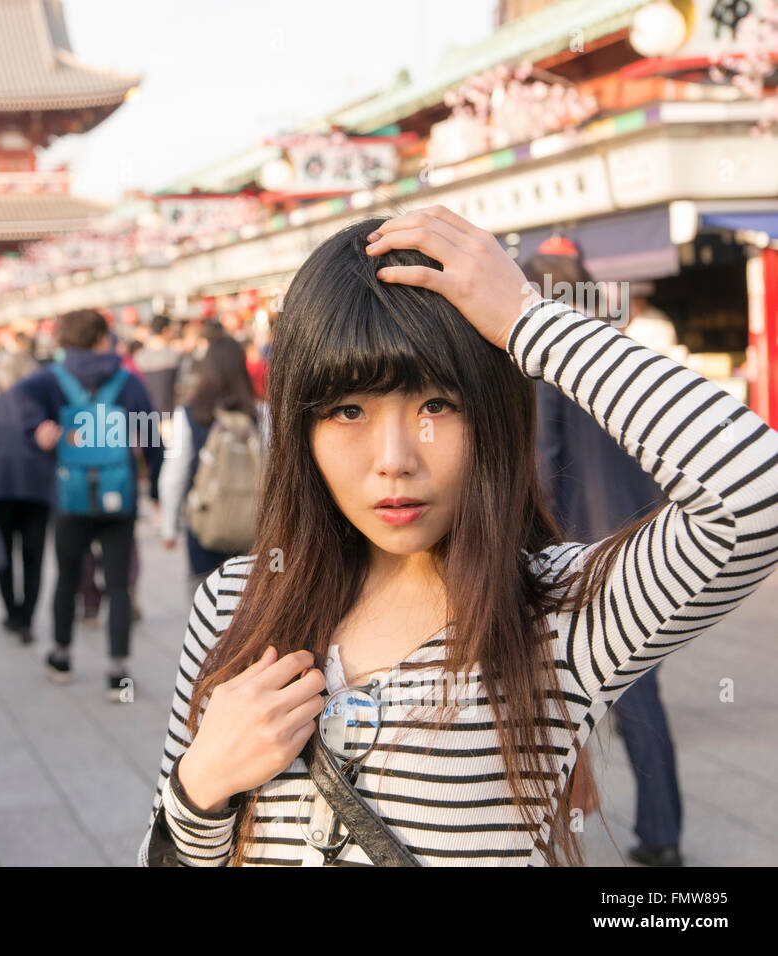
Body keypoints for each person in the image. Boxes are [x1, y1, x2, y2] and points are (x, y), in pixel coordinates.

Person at [138, 205, 778, 867]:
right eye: (348, 410)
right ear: (302, 426)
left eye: (436, 406)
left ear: (492, 417)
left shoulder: (557, 614)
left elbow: (755, 495)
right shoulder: (233, 604)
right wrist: (200, 787)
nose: (394, 458)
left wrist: (528, 321)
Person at [525, 252, 686, 867]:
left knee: (565, 700)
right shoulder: (623, 356)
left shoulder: (548, 365)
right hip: (646, 539)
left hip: (587, 553)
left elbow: (544, 461)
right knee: (640, 697)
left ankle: (560, 835)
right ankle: (660, 830)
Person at [13, 308, 164, 699]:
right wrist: (157, 490)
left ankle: (61, 657)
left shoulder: (49, 381)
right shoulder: (128, 382)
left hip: (70, 497)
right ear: (101, 337)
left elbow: (17, 408)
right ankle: (118, 672)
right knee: (117, 585)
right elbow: (151, 439)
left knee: (66, 578)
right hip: (120, 496)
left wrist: (39, 432)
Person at [158, 334, 262, 597]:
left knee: (206, 605)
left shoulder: (190, 416)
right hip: (255, 529)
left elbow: (174, 475)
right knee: (250, 609)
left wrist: (169, 527)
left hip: (205, 525)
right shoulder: (262, 414)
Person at [0, 351, 54, 644]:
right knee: (34, 558)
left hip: (0, 490)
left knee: (3, 556)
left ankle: (12, 614)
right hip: (38, 491)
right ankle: (27, 618)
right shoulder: (42, 409)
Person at [134, 314, 182, 415]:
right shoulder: (174, 356)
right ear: (166, 330)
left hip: (145, 415)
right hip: (169, 415)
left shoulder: (138, 357)